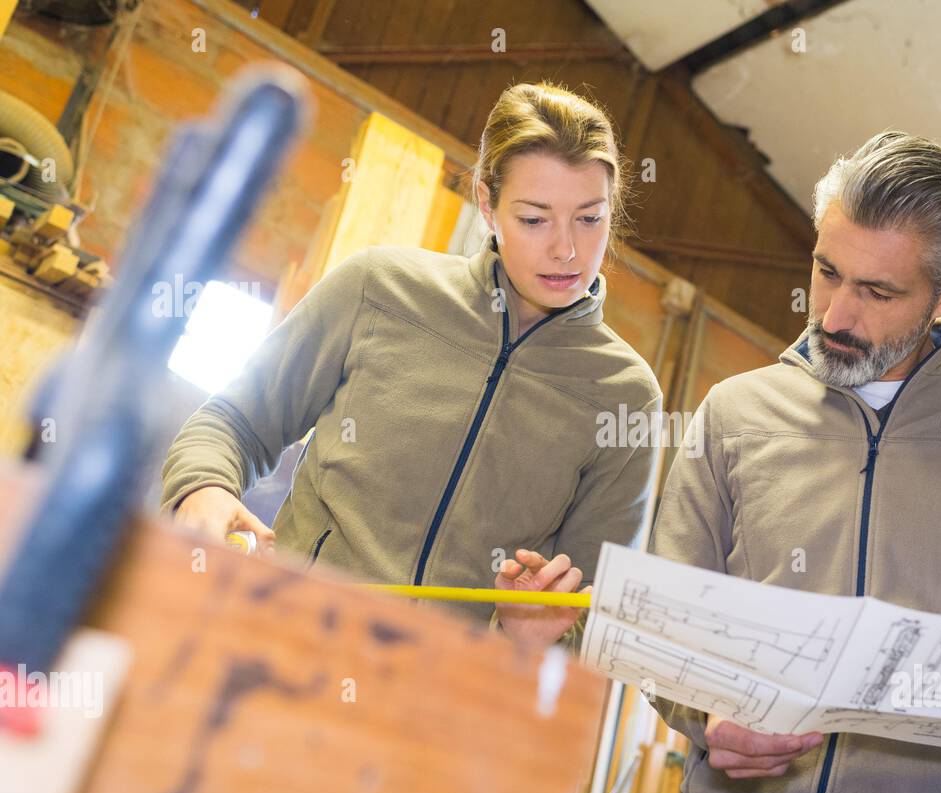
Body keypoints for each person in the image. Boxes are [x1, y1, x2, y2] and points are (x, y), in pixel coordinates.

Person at [520, 130, 941, 793]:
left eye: (877, 291)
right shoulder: (733, 413)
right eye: (827, 271)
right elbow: (667, 633)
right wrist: (707, 720)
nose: (835, 314)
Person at [161, 82, 661, 629]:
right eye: (535, 219)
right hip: (280, 635)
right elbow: (232, 423)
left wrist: (532, 633)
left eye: (590, 218)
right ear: (487, 204)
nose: (567, 249)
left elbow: (593, 614)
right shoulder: (378, 288)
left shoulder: (625, 397)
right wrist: (203, 487)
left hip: (442, 696)